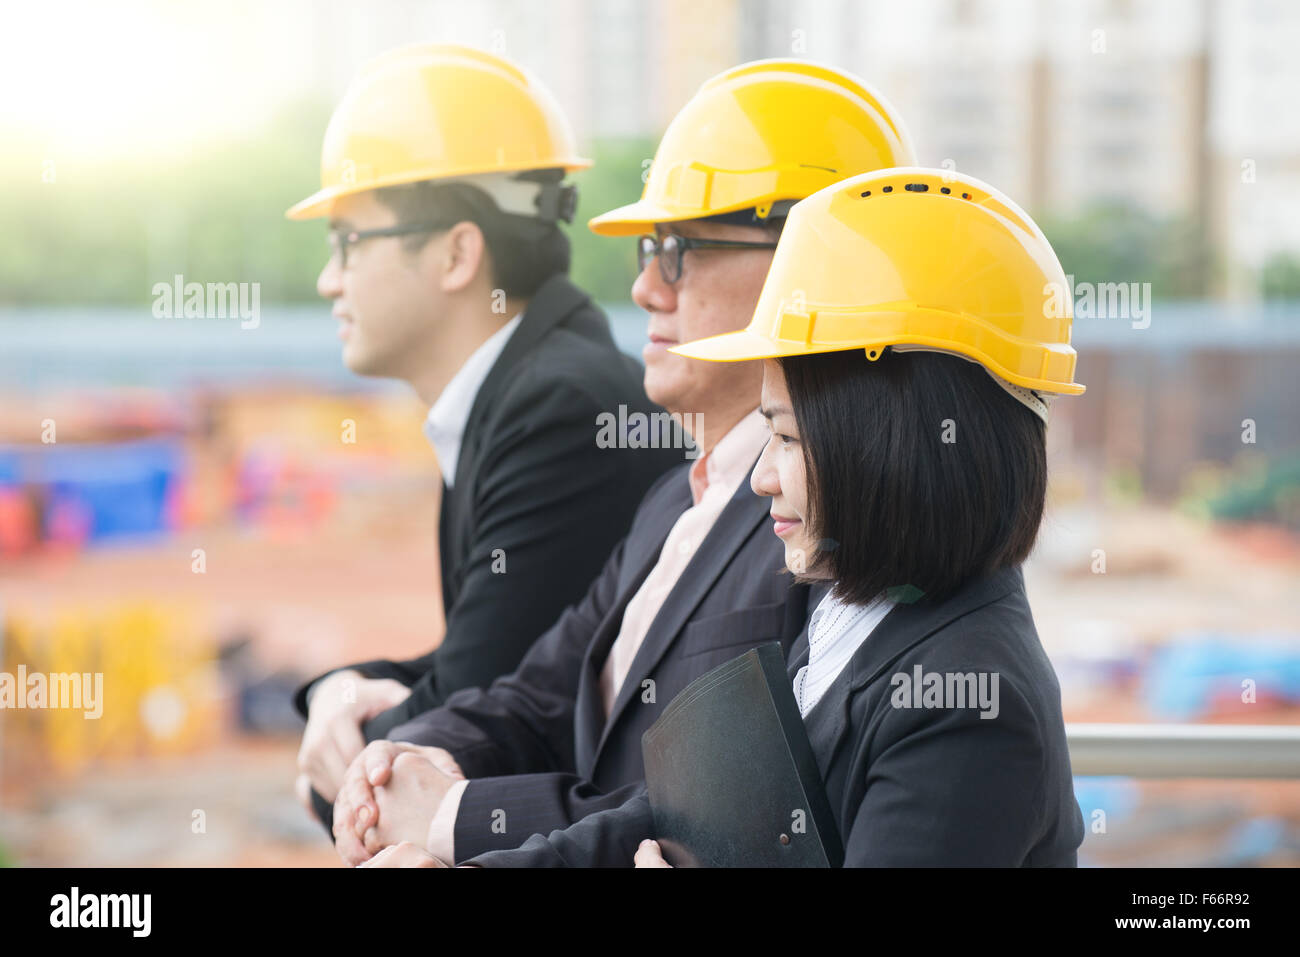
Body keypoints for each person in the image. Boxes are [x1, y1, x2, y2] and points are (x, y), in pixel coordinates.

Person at [404, 166, 1087, 867]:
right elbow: (674, 816)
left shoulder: (969, 706)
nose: (760, 478)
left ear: (893, 445)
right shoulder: (849, 619)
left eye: (786, 440)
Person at [327, 59, 918, 866]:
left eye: (680, 251)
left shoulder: (836, 528)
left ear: (806, 269)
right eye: (649, 248)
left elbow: (728, 814)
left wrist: (453, 821)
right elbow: (541, 692)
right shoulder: (676, 499)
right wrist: (411, 756)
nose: (644, 287)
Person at [284, 44, 683, 827]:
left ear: (459, 253)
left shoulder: (560, 411)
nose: (329, 279)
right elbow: (483, 667)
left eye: (347, 243)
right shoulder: (518, 392)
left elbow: (480, 709)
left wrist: (332, 775)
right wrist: (339, 689)